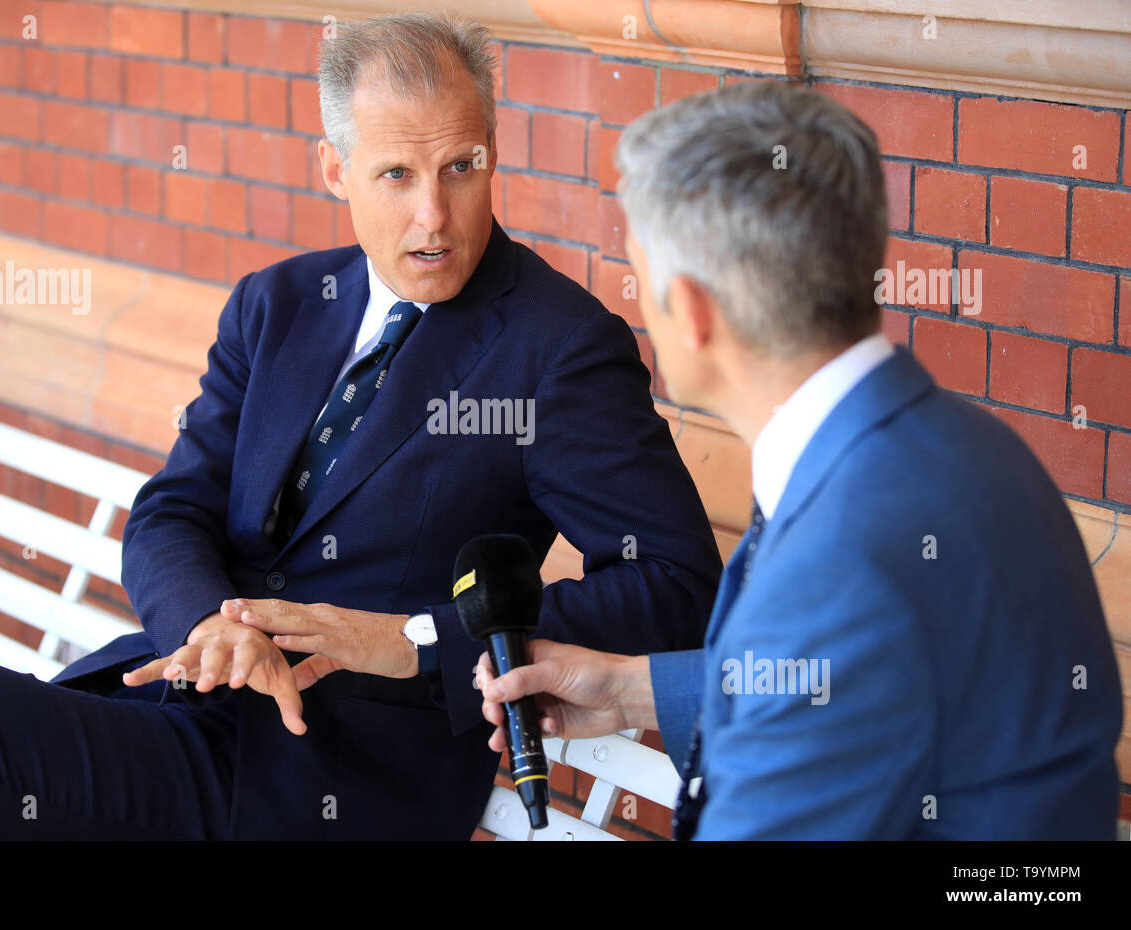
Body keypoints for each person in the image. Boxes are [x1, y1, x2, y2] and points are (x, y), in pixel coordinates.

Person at [0, 13, 722, 840]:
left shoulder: (557, 346)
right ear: (335, 171)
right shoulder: (279, 305)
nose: (434, 215)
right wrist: (204, 627)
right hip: (174, 717)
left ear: (493, 153)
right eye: (396, 175)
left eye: (462, 166)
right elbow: (172, 510)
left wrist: (415, 641)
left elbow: (678, 586)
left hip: (323, 788)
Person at [477, 81, 1124, 840]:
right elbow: (850, 684)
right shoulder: (964, 444)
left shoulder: (841, 556)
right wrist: (629, 691)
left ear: (691, 312)